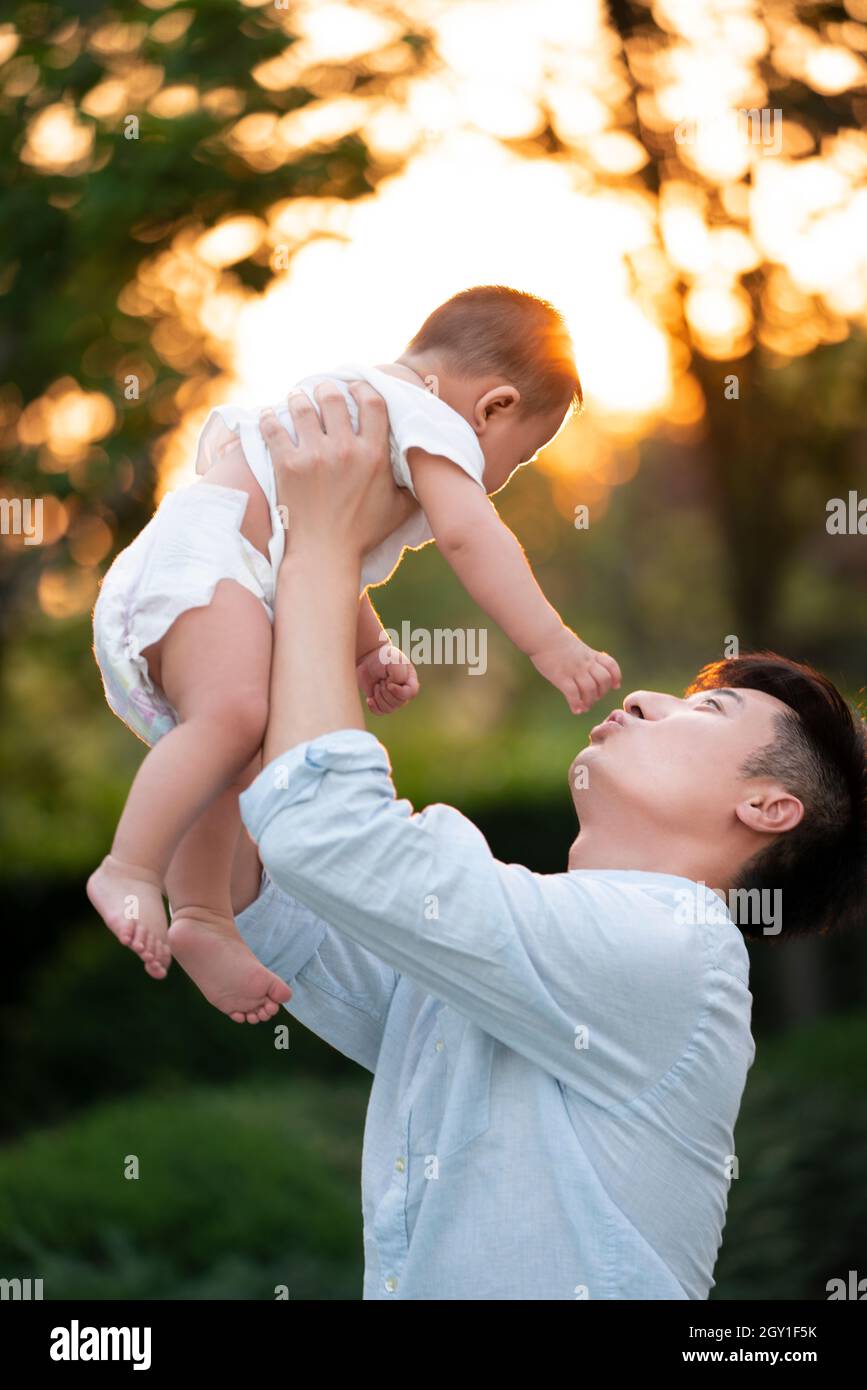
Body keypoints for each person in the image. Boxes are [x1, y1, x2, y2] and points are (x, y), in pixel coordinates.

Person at [230, 381, 866, 1301]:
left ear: (769, 807)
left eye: (707, 708)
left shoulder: (674, 947)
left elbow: (327, 837)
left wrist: (327, 547)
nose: (645, 698)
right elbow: (282, 905)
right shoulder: (524, 963)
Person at [87, 286, 621, 1022]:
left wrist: (369, 647)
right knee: (235, 716)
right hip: (206, 564)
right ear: (491, 407)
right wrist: (552, 644)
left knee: (236, 745)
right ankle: (128, 867)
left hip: (226, 570)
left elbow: (319, 552)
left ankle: (204, 917)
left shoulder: (367, 408)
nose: (496, 480)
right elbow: (474, 538)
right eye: (518, 460)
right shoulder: (429, 420)